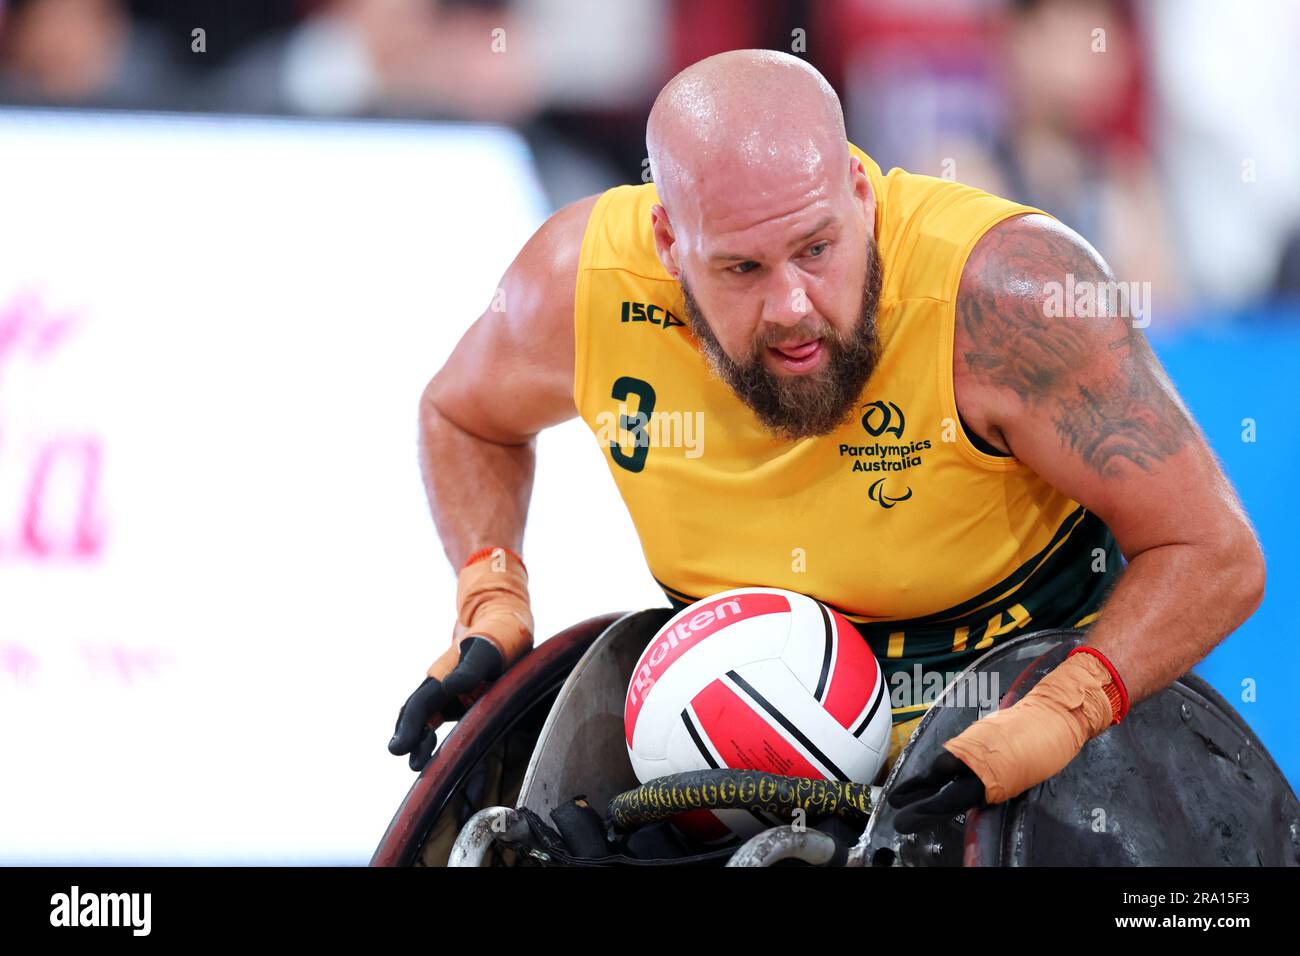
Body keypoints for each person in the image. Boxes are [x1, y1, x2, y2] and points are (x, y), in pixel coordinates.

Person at [388, 50, 1264, 833]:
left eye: (816, 248)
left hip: (1023, 749)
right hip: (733, 748)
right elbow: (463, 416)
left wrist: (1063, 711)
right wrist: (491, 594)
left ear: (859, 191)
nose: (793, 306)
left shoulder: (1011, 294)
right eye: (742, 269)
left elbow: (1215, 551)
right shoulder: (575, 285)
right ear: (668, 243)